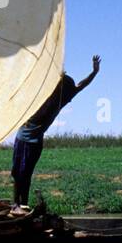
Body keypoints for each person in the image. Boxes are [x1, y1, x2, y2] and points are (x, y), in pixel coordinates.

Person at [10, 56, 101, 213]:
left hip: (34, 141)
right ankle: (15, 204)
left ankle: (22, 203)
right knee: (18, 173)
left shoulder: (62, 97)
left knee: (25, 173)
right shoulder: (46, 92)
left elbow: (81, 85)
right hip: (23, 137)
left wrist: (94, 72)